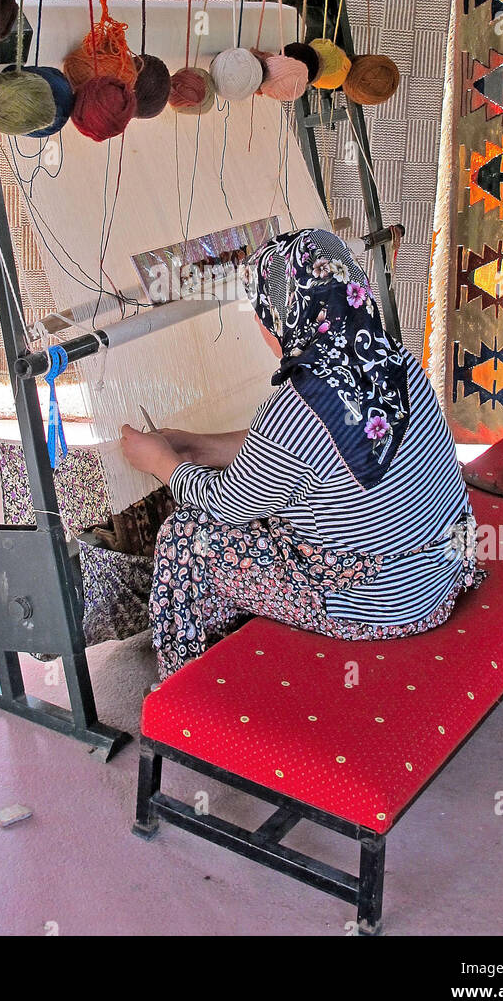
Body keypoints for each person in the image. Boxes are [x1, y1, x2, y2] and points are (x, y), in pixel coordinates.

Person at [120, 228, 480, 679]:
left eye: (260, 308)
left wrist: (162, 462)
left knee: (187, 532)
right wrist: (194, 444)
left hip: (387, 606)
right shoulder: (393, 360)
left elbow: (226, 505)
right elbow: (290, 454)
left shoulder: (296, 406)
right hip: (445, 570)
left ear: (284, 313)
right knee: (281, 512)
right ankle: (231, 628)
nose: (258, 322)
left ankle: (185, 686)